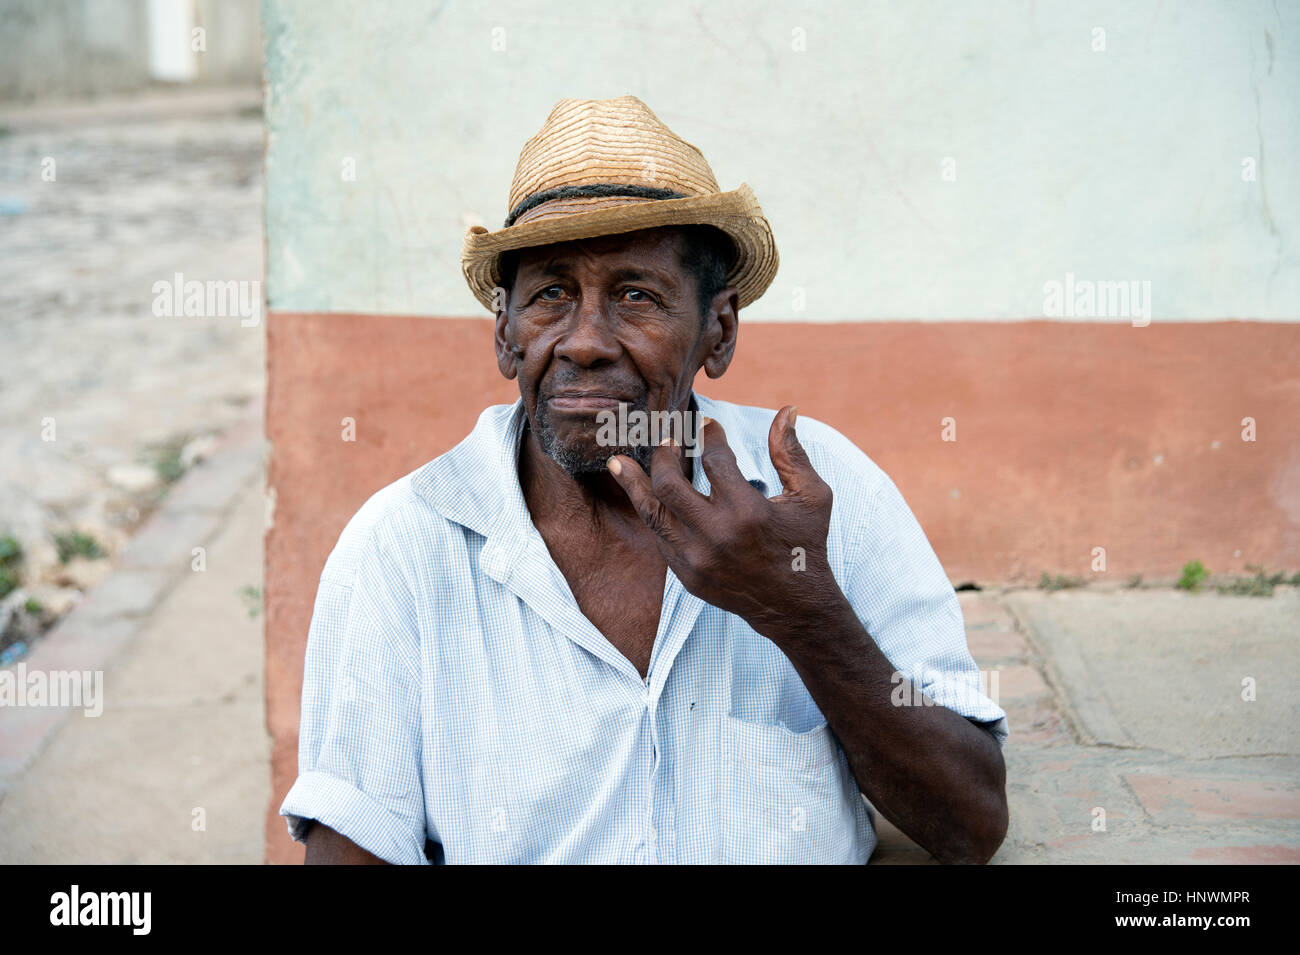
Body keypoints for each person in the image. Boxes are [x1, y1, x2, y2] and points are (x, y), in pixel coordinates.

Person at [281, 96, 1008, 864]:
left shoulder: (822, 492)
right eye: (551, 295)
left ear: (717, 331)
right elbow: (351, 848)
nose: (586, 342)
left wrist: (800, 611)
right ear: (505, 333)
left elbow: (969, 821)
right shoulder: (403, 546)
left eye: (637, 295)